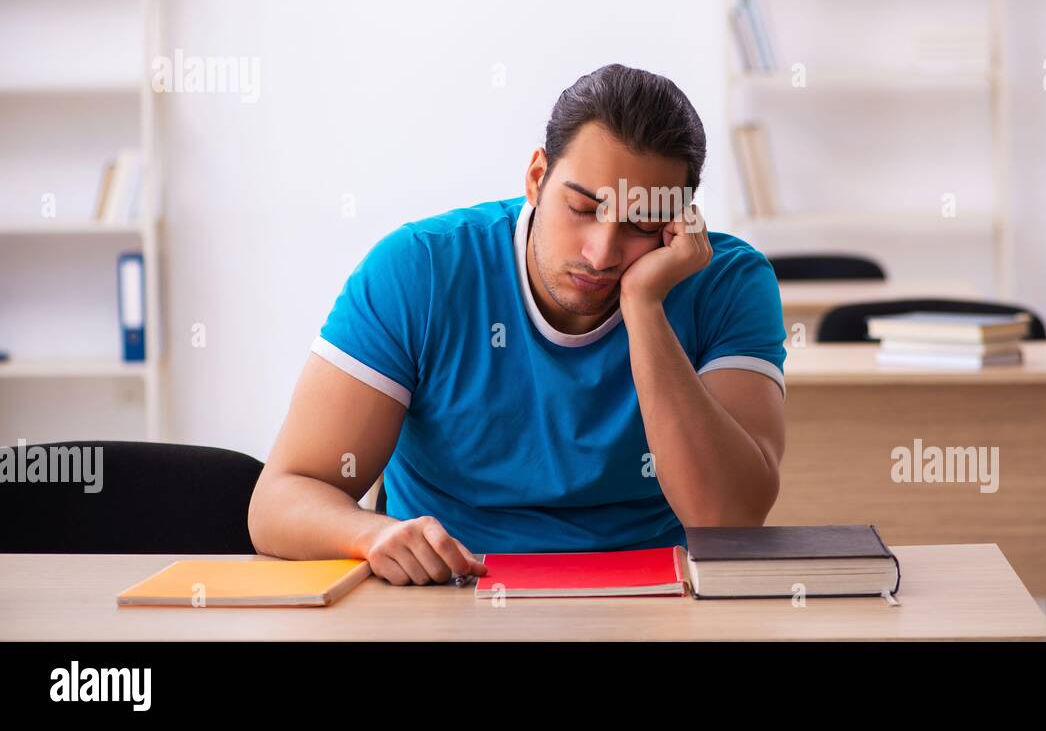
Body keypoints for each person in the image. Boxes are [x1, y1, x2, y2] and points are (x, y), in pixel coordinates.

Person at [248, 64, 788, 585]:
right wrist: (369, 534)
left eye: (641, 222)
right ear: (536, 178)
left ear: (681, 220)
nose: (602, 253)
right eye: (582, 207)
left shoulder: (728, 283)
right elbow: (280, 499)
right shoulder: (421, 269)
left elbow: (727, 522)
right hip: (451, 598)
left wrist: (644, 306)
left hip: (656, 603)